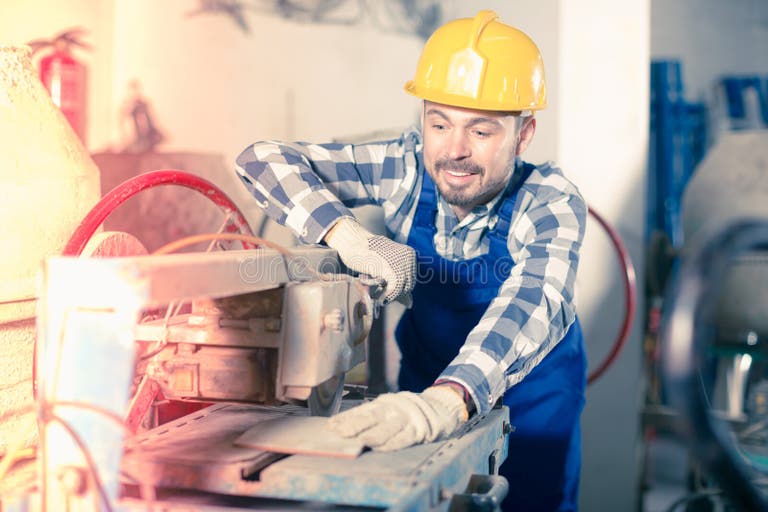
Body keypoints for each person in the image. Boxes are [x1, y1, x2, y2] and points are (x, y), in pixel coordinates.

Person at [235, 10, 587, 511]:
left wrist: (451, 398)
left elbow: (535, 298)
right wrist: (349, 236)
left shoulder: (550, 200)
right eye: (439, 123)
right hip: (423, 387)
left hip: (534, 404)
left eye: (481, 132)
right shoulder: (403, 167)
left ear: (524, 134)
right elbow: (259, 160)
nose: (454, 151)